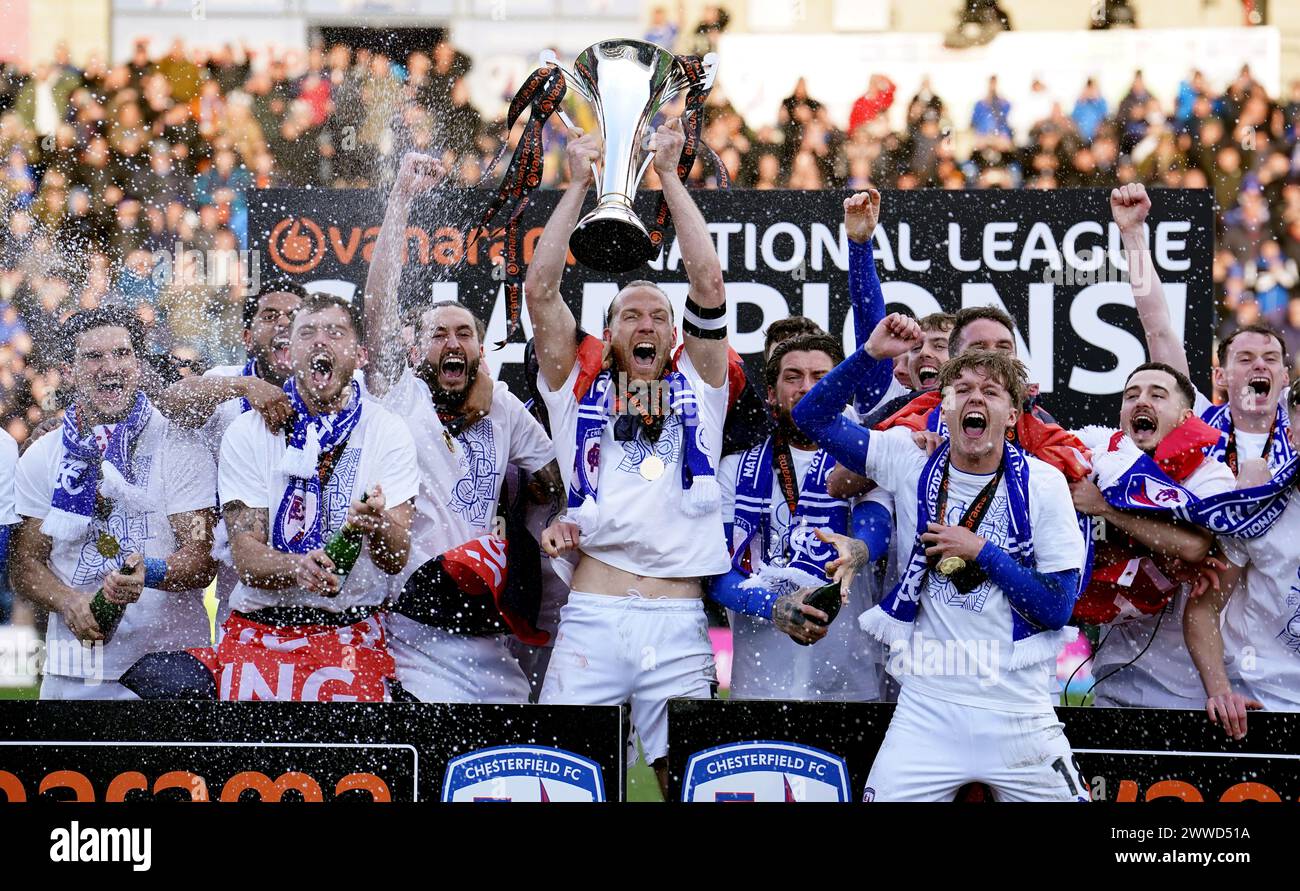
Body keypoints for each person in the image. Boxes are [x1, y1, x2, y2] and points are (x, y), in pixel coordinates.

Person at [525, 118, 731, 798]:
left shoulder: (702, 389)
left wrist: (669, 177)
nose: (646, 323)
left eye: (658, 316)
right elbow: (540, 292)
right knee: (564, 779)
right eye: (630, 315)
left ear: (674, 335)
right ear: (608, 332)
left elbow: (707, 281)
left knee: (689, 786)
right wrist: (577, 186)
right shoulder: (572, 389)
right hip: (594, 617)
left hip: (676, 620)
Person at [795, 346, 1088, 801]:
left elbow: (1055, 608)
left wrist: (982, 553)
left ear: (1011, 414)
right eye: (962, 390)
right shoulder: (908, 459)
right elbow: (811, 417)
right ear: (944, 408)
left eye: (991, 392)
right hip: (927, 709)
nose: (975, 399)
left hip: (1020, 713)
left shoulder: (1044, 483)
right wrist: (870, 353)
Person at [361, 152, 562, 703]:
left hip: (486, 620)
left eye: (464, 333)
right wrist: (400, 199)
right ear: (415, 346)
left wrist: (529, 531)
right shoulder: (399, 396)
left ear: (480, 345)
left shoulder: (502, 406)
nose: (452, 342)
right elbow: (378, 303)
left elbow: (552, 487)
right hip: (412, 625)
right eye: (438, 333)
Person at [213, 293, 419, 702]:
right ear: (290, 352)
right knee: (250, 768)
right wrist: (298, 567)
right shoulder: (248, 431)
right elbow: (247, 559)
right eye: (307, 333)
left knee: (359, 767)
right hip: (260, 636)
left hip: (350, 636)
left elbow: (395, 558)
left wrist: (377, 526)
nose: (320, 341)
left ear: (359, 355)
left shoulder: (388, 431)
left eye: (335, 332)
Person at [10, 307, 217, 699]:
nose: (110, 367)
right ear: (68, 372)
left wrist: (149, 572)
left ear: (138, 365)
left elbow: (200, 559)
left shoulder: (179, 441)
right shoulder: (43, 455)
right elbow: (25, 564)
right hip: (75, 672)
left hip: (170, 666)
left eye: (122, 354)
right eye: (93, 357)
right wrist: (69, 600)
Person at [712, 333, 890, 701]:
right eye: (793, 377)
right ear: (772, 394)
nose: (807, 388)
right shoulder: (734, 468)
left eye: (821, 377)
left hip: (845, 683)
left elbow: (878, 525)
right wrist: (773, 606)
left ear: (838, 391)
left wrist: (859, 549)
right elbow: (715, 571)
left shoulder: (863, 460)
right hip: (760, 684)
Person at [1069, 362, 1234, 708]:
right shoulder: (1099, 467)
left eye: (1157, 395)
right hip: (1114, 678)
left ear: (1186, 416)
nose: (1142, 401)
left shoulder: (1210, 476)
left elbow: (1194, 545)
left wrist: (1106, 509)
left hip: (1188, 687)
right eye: (1131, 396)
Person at [1185, 384, 1300, 739]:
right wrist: (1220, 690)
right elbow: (1202, 609)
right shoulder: (1257, 508)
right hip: (1264, 710)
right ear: (1292, 435)